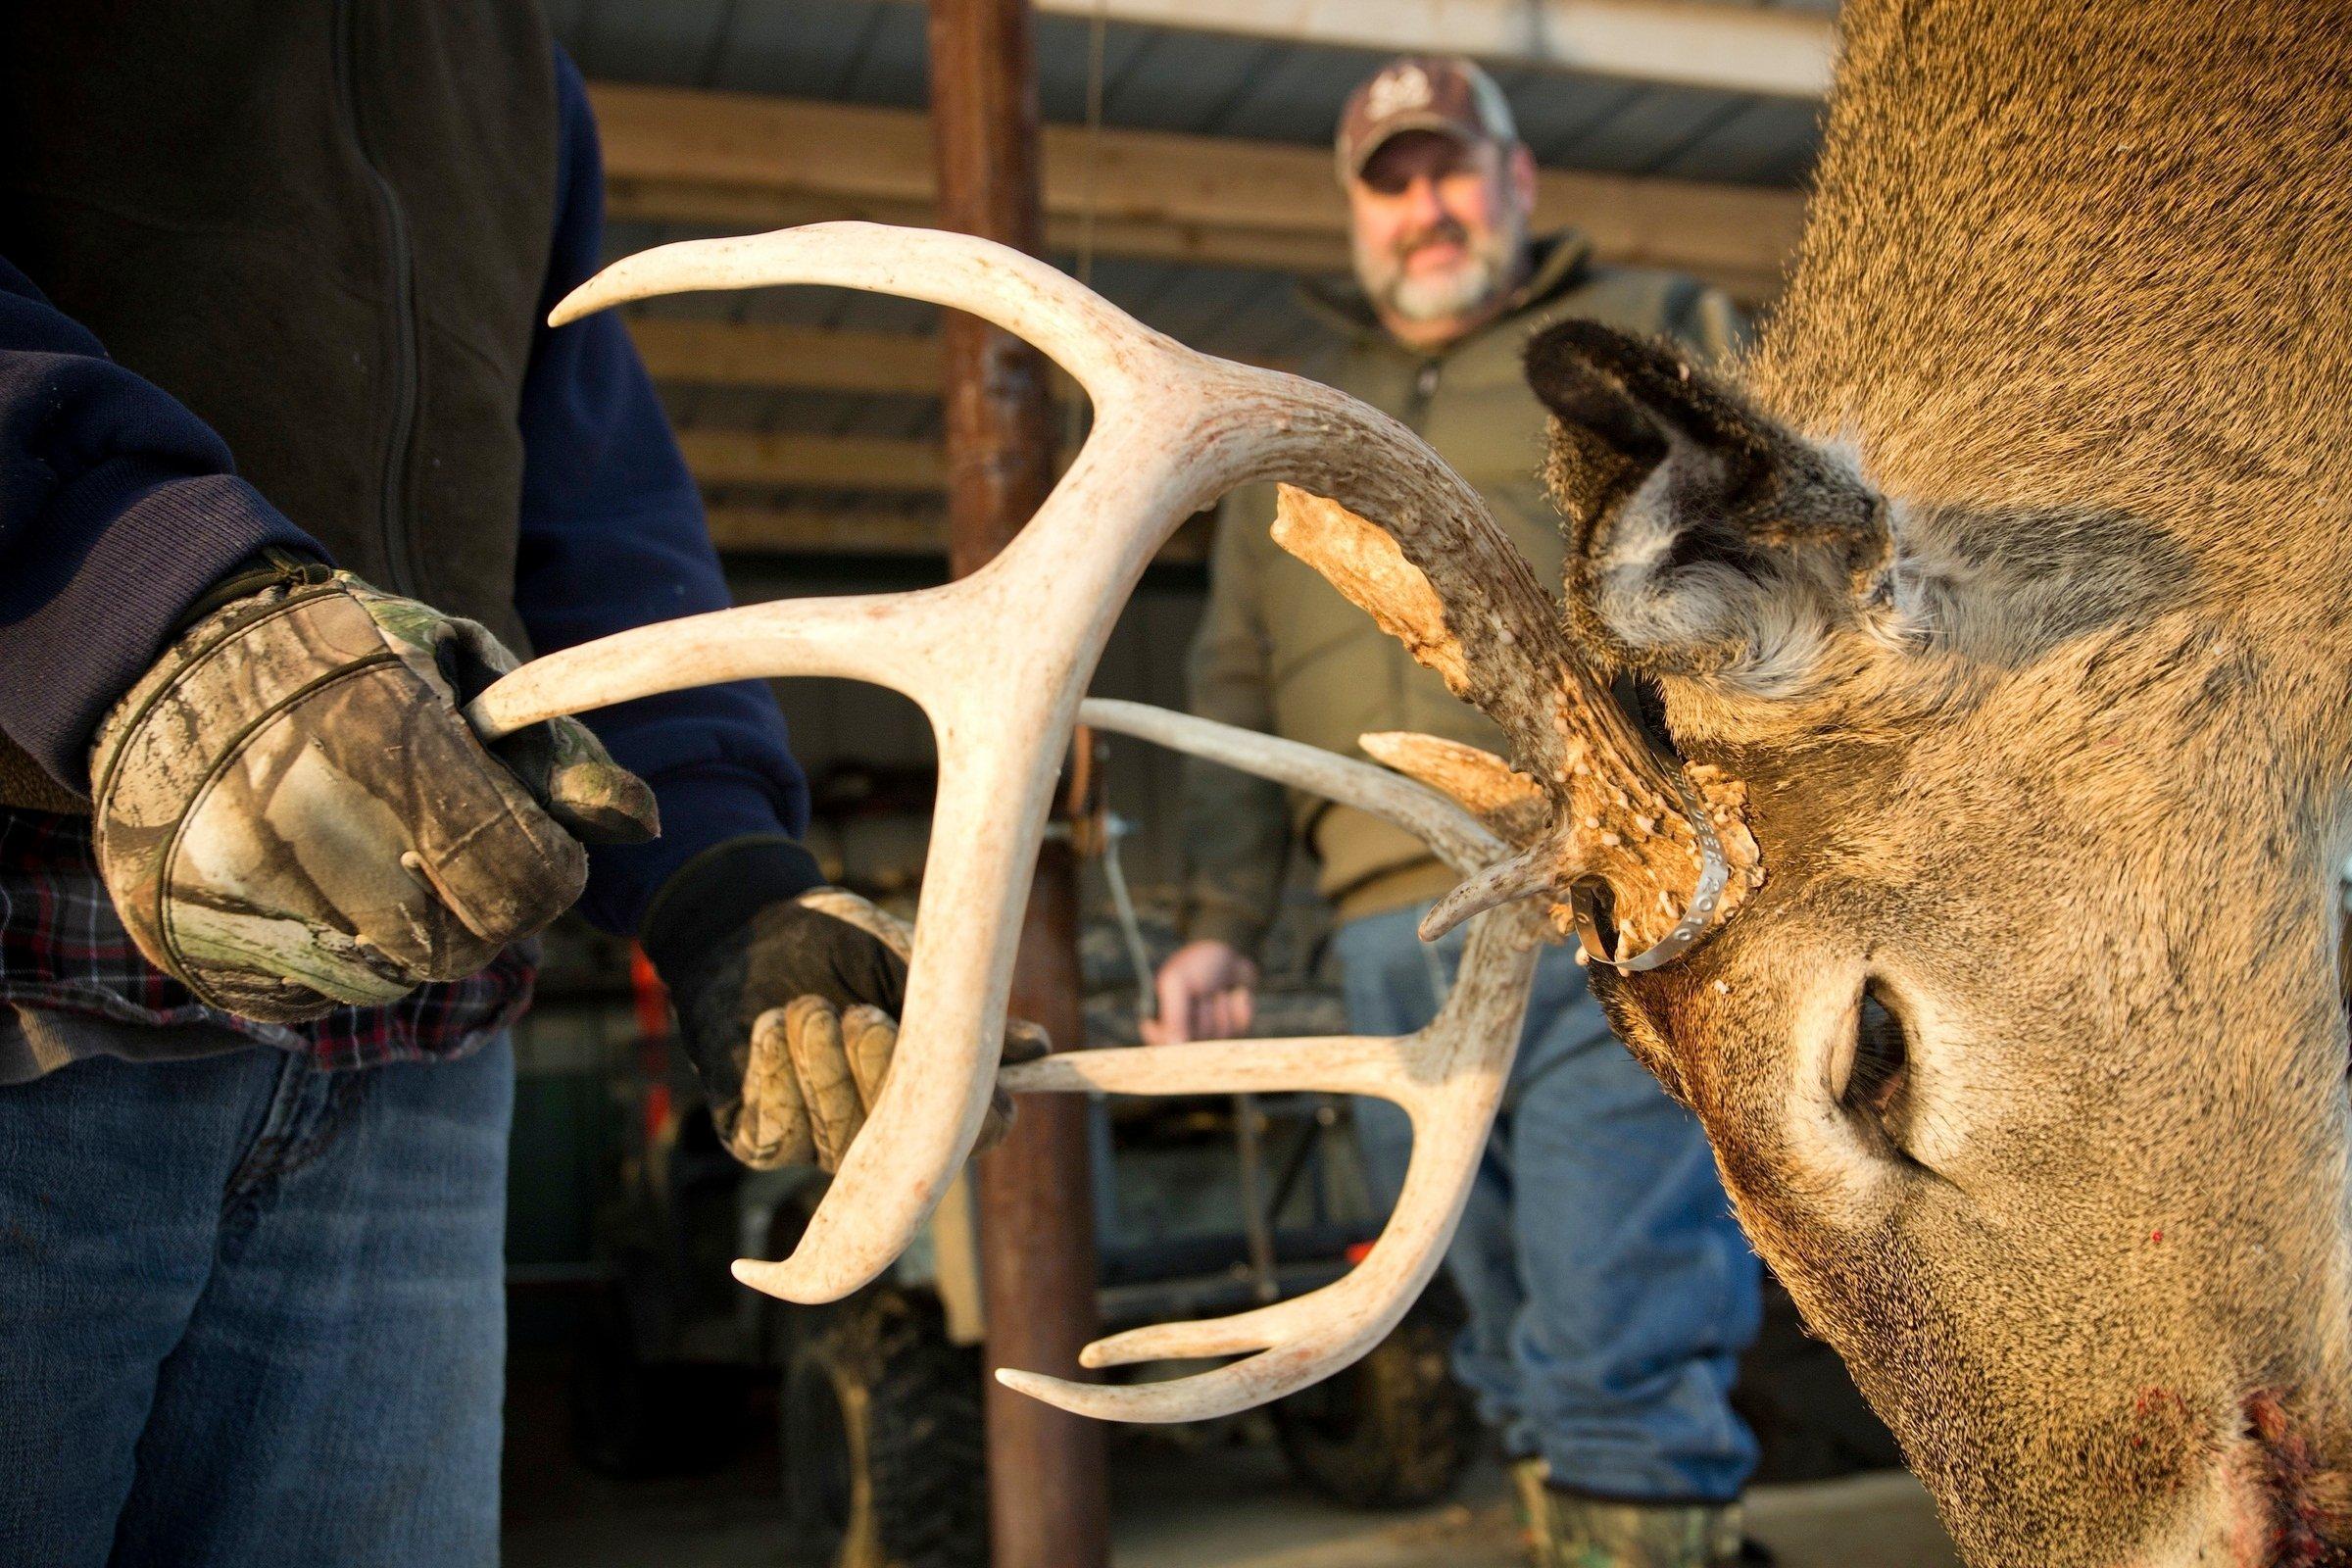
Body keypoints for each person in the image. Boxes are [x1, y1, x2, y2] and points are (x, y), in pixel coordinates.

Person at [0, 13, 919, 1565]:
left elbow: (582, 498)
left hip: (414, 1069)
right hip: (36, 993)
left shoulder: (501, 52)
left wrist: (722, 877)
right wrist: (134, 587)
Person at [1152, 56, 1765, 1568]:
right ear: (1355, 210)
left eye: (1450, 168)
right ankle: (1572, 1528)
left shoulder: (1638, 337)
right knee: (1484, 1307)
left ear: (1519, 181)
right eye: (1392, 178)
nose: (1425, 207)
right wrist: (1217, 924)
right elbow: (1232, 667)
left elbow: (1779, 552)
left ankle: (1651, 1536)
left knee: (1613, 1309)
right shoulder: (1283, 416)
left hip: (1596, 902)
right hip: (1380, 930)